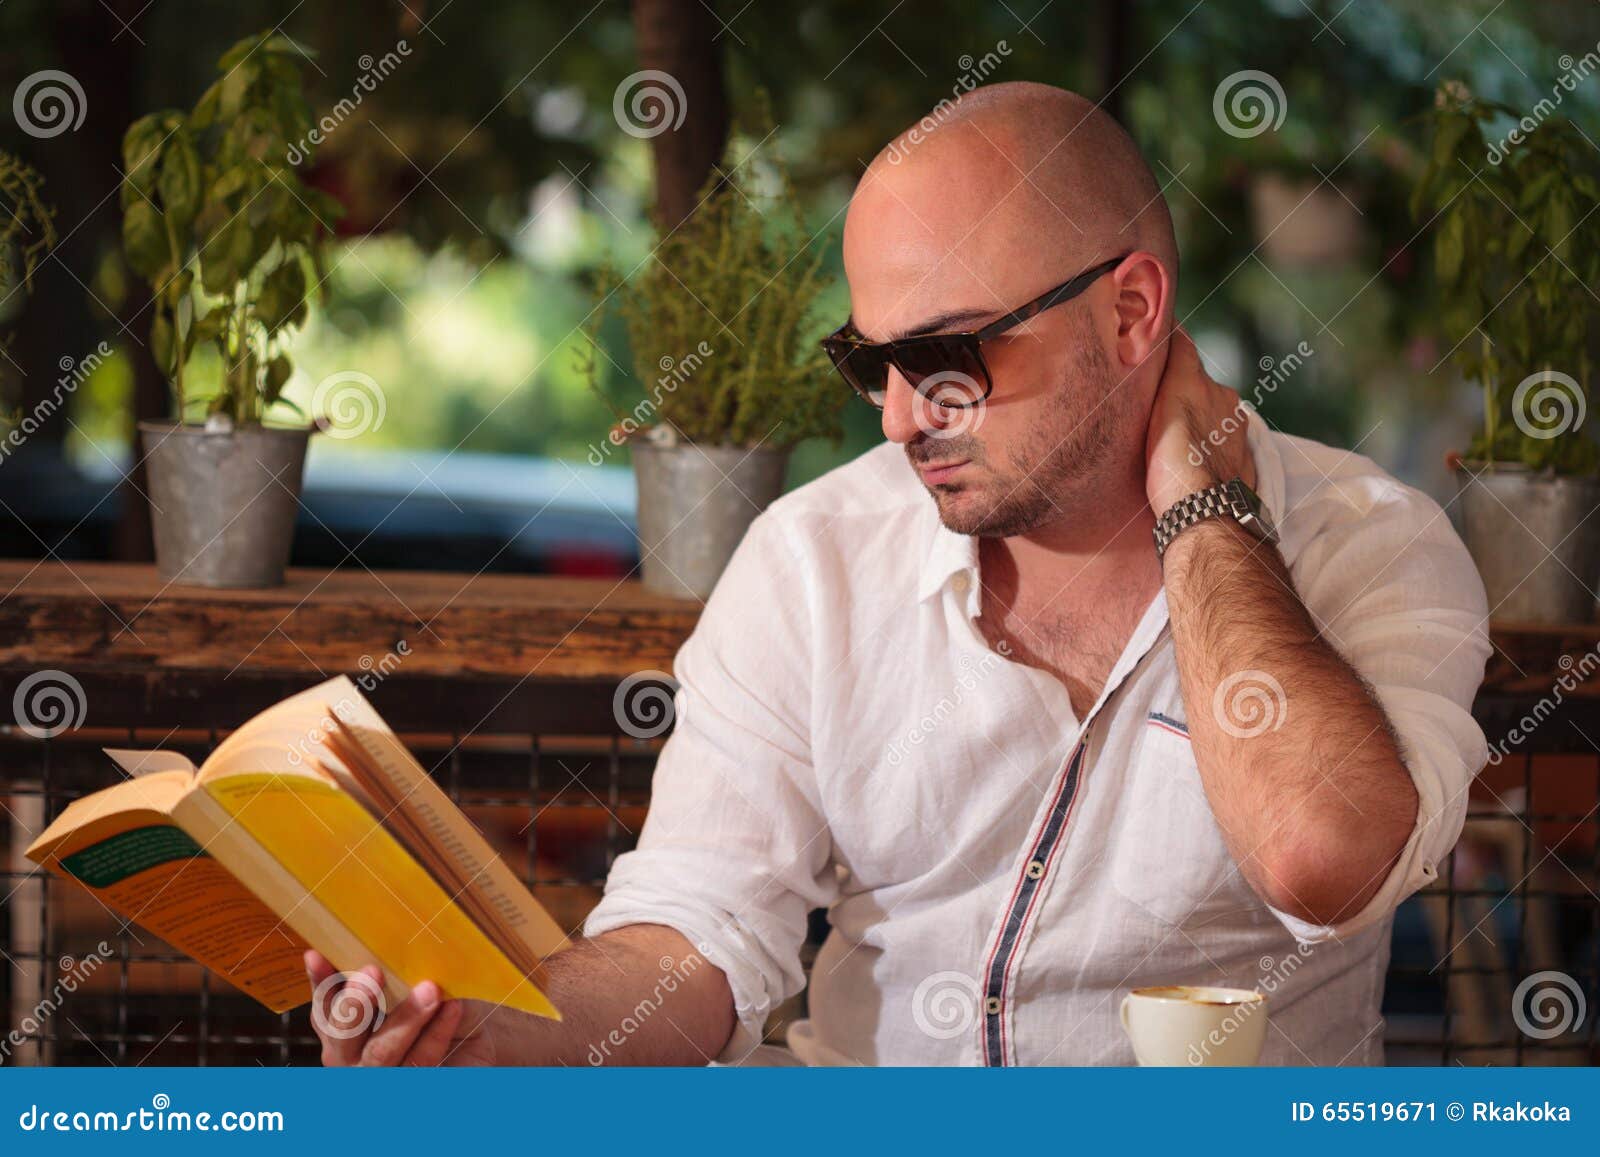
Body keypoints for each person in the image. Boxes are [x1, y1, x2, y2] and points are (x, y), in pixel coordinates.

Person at [309, 81, 1488, 1066]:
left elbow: (1321, 859)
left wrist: (1206, 511)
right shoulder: (815, 557)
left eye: (944, 354)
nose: (895, 418)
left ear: (1131, 313)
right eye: (868, 359)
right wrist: (482, 1037)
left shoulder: (1363, 544)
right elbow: (699, 932)